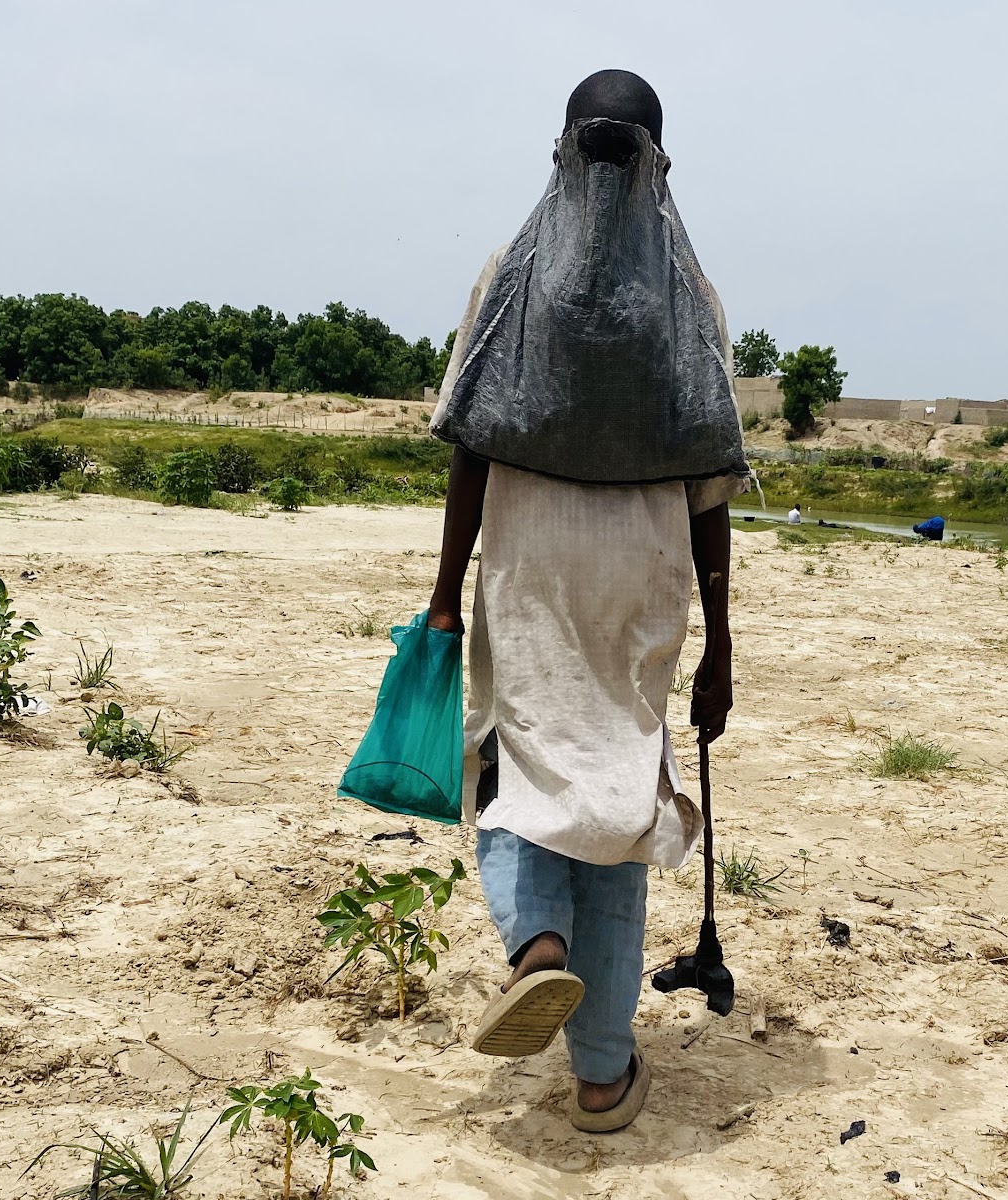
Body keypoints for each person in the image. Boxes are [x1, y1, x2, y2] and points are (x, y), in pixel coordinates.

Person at [425, 69, 746, 1134]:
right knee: (619, 791)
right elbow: (711, 489)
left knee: (518, 761)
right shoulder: (692, 301)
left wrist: (441, 599)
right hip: (644, 573)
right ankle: (603, 1076)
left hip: (528, 561)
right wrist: (719, 648)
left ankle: (536, 947)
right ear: (661, 165)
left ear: (560, 154)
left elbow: (470, 447)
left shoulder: (508, 278)